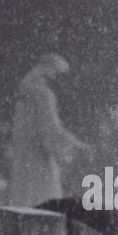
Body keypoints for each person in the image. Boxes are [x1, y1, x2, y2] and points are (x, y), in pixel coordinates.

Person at [8, 54, 91, 209]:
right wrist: (77, 145)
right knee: (45, 198)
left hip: (24, 157)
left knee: (24, 195)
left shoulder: (25, 93)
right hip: (39, 158)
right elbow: (51, 129)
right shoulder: (42, 94)